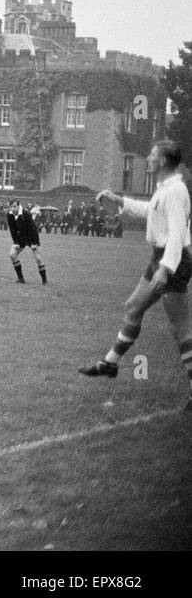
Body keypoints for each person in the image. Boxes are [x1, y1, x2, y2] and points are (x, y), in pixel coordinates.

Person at [80, 140, 192, 409]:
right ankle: (109, 364)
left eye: (152, 155)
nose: (149, 158)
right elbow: (149, 211)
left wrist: (166, 269)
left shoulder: (176, 190)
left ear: (163, 161)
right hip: (159, 257)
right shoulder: (164, 189)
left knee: (182, 330)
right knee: (133, 307)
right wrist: (120, 200)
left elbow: (177, 233)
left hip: (173, 261)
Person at [6, 198, 48, 284]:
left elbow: (33, 229)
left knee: (39, 259)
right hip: (20, 237)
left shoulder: (26, 214)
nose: (12, 209)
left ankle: (45, 281)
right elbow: (12, 229)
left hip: (31, 237)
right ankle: (21, 279)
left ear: (18, 206)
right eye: (11, 207)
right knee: (12, 255)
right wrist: (16, 242)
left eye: (14, 206)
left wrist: (34, 243)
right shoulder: (9, 215)